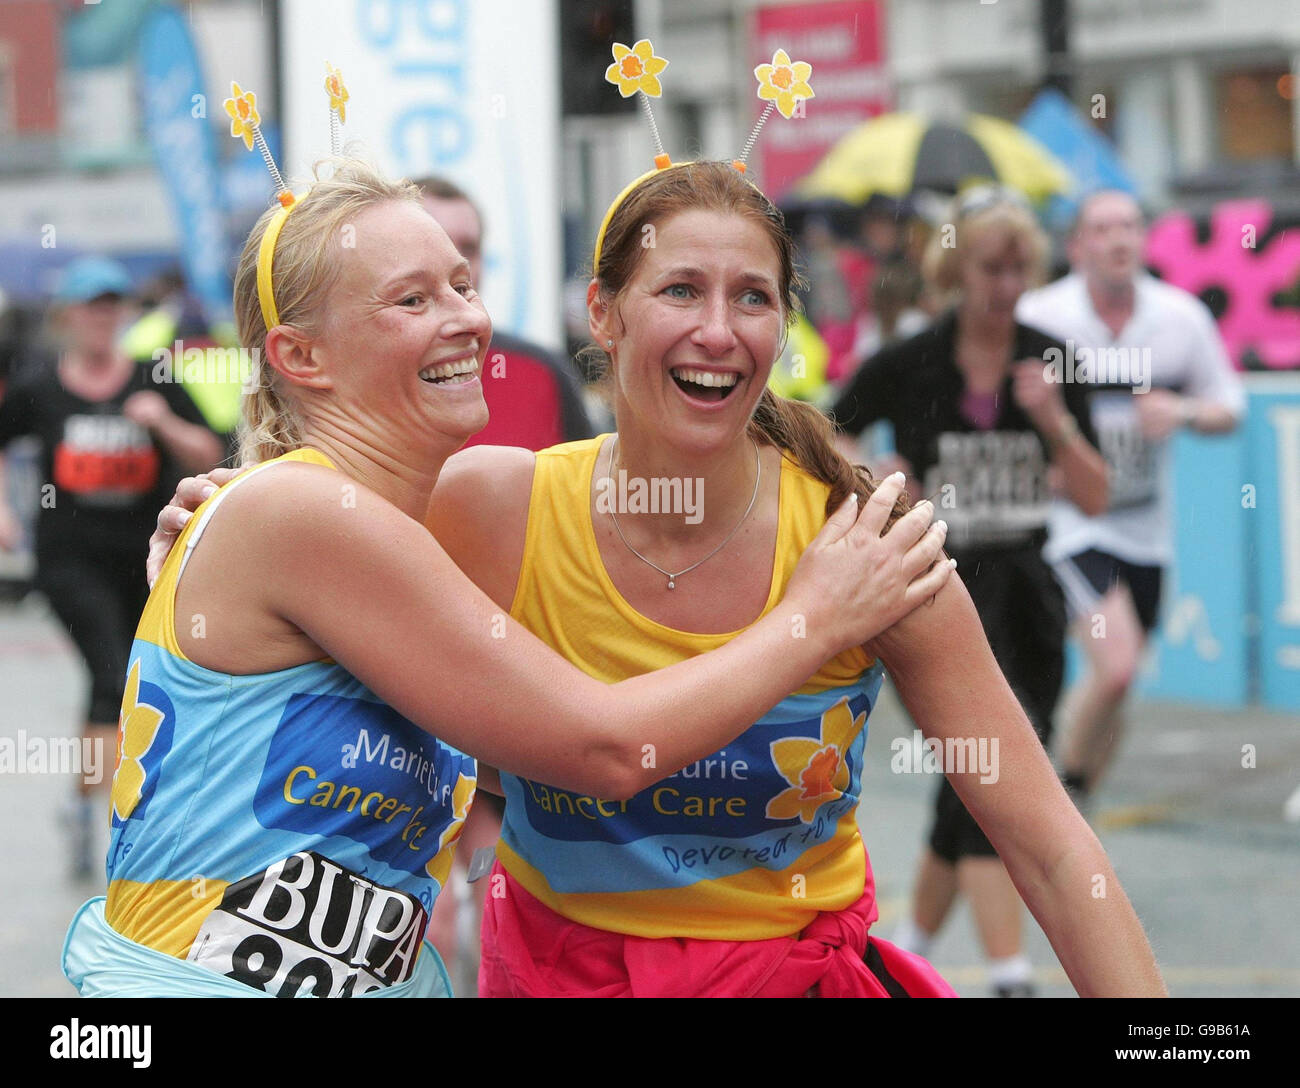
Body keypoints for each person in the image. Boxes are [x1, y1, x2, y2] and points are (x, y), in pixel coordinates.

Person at [151, 164, 1165, 999]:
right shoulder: (487, 503)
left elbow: (1049, 850)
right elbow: (322, 581)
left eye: (752, 297)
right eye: (680, 289)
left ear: (781, 330)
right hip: (547, 976)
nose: (717, 330)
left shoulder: (861, 543)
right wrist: (215, 521)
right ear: (606, 312)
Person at [831, 185, 1110, 996]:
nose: (1007, 283)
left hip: (1026, 588)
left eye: (1020, 265)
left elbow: (1095, 496)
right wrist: (874, 471)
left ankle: (909, 943)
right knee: (984, 765)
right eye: (991, 266)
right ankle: (1008, 970)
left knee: (988, 769)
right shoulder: (913, 359)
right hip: (936, 585)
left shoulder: (1051, 356)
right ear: (958, 269)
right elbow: (829, 426)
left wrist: (1053, 421)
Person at [412, 174, 594, 987]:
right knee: (417, 929)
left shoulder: (539, 374)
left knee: (501, 915)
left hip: (519, 698)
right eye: (427, 262)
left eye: (467, 256)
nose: (457, 277)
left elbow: (598, 520)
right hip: (398, 700)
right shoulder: (368, 388)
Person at [1016, 190, 1245, 807]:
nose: (1119, 239)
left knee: (1121, 681)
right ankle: (1050, 805)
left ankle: (1078, 798)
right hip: (1072, 522)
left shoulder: (1180, 317)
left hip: (1148, 528)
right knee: (1116, 667)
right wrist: (1042, 460)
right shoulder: (1042, 317)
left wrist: (1187, 409)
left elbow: (1231, 408)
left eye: (1130, 227)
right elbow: (999, 402)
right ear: (1077, 246)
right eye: (1103, 229)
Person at [0, 256, 224, 878]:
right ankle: (115, 826)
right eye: (91, 308)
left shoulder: (154, 377)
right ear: (68, 317)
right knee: (110, 674)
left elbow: (210, 450)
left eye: (113, 307)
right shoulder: (42, 386)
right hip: (69, 559)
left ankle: (87, 803)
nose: (103, 319)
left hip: (144, 557)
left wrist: (163, 422)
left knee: (138, 681)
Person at [414, 176, 592, 451]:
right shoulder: (363, 377)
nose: (457, 264)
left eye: (468, 250)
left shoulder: (543, 373)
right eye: (437, 244)